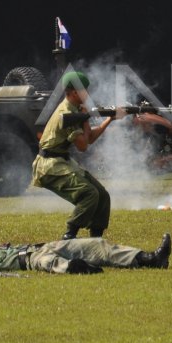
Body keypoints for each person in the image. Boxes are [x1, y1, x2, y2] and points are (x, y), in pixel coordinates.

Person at [31, 71, 122, 240]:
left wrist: (109, 119)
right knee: (89, 193)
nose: (88, 94)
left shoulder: (75, 110)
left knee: (102, 195)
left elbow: (90, 139)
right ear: (74, 92)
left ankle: (96, 240)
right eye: (84, 90)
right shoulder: (66, 114)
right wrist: (86, 119)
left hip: (61, 160)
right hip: (49, 165)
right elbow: (83, 146)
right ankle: (69, 234)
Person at [0, 234, 171, 276]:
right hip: (32, 260)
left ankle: (149, 259)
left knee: (96, 243)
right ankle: (78, 269)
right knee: (49, 264)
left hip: (44, 245)